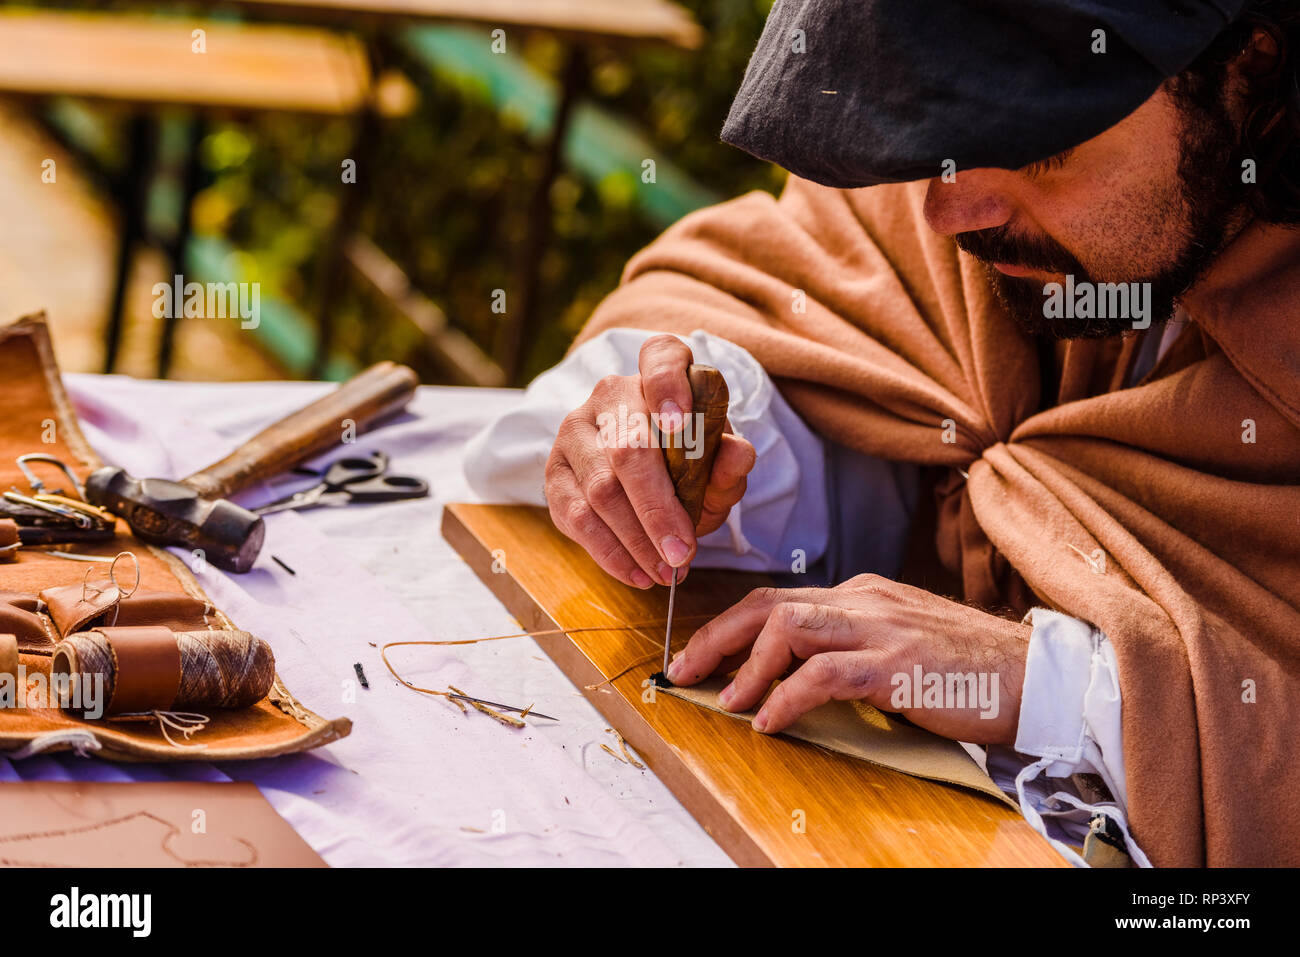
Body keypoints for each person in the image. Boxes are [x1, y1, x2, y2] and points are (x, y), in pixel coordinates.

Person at [465, 0, 1300, 867]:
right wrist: (718, 434)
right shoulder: (990, 212)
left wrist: (1042, 682)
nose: (948, 212)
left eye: (1032, 144)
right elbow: (831, 324)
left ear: (1250, 61)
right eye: (935, 129)